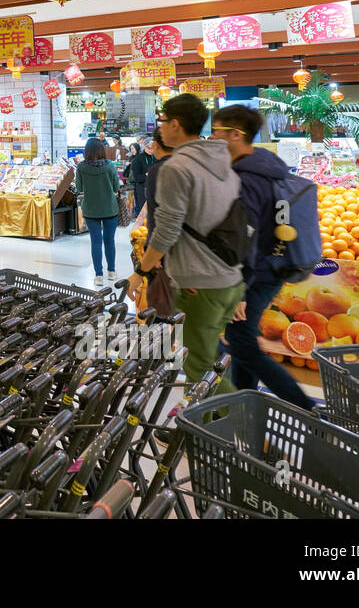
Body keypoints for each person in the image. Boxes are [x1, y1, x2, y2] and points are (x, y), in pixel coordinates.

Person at [129, 94, 243, 399]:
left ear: (175, 125)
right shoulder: (224, 161)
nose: (161, 127)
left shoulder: (175, 168)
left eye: (163, 121)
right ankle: (205, 426)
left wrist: (141, 270)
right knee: (209, 359)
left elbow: (165, 230)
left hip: (198, 281)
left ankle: (237, 430)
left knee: (199, 368)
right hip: (230, 276)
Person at [210, 105, 315, 411]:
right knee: (240, 341)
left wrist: (239, 290)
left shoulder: (247, 177)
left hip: (258, 272)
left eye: (216, 131)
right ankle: (238, 405)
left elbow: (247, 237)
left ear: (235, 135)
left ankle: (306, 408)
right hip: (272, 265)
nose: (212, 137)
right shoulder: (268, 166)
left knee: (240, 343)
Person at [77, 138, 121, 288]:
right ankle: (112, 271)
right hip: (109, 209)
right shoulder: (110, 166)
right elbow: (116, 187)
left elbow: (79, 187)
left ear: (87, 150)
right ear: (102, 150)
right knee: (109, 241)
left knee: (95, 242)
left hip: (90, 210)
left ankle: (98, 275)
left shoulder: (81, 167)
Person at [127, 141, 154, 215]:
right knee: (145, 214)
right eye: (150, 148)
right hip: (143, 190)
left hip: (155, 189)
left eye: (154, 148)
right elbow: (137, 178)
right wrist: (146, 175)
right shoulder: (137, 160)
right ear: (144, 147)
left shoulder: (156, 157)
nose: (152, 150)